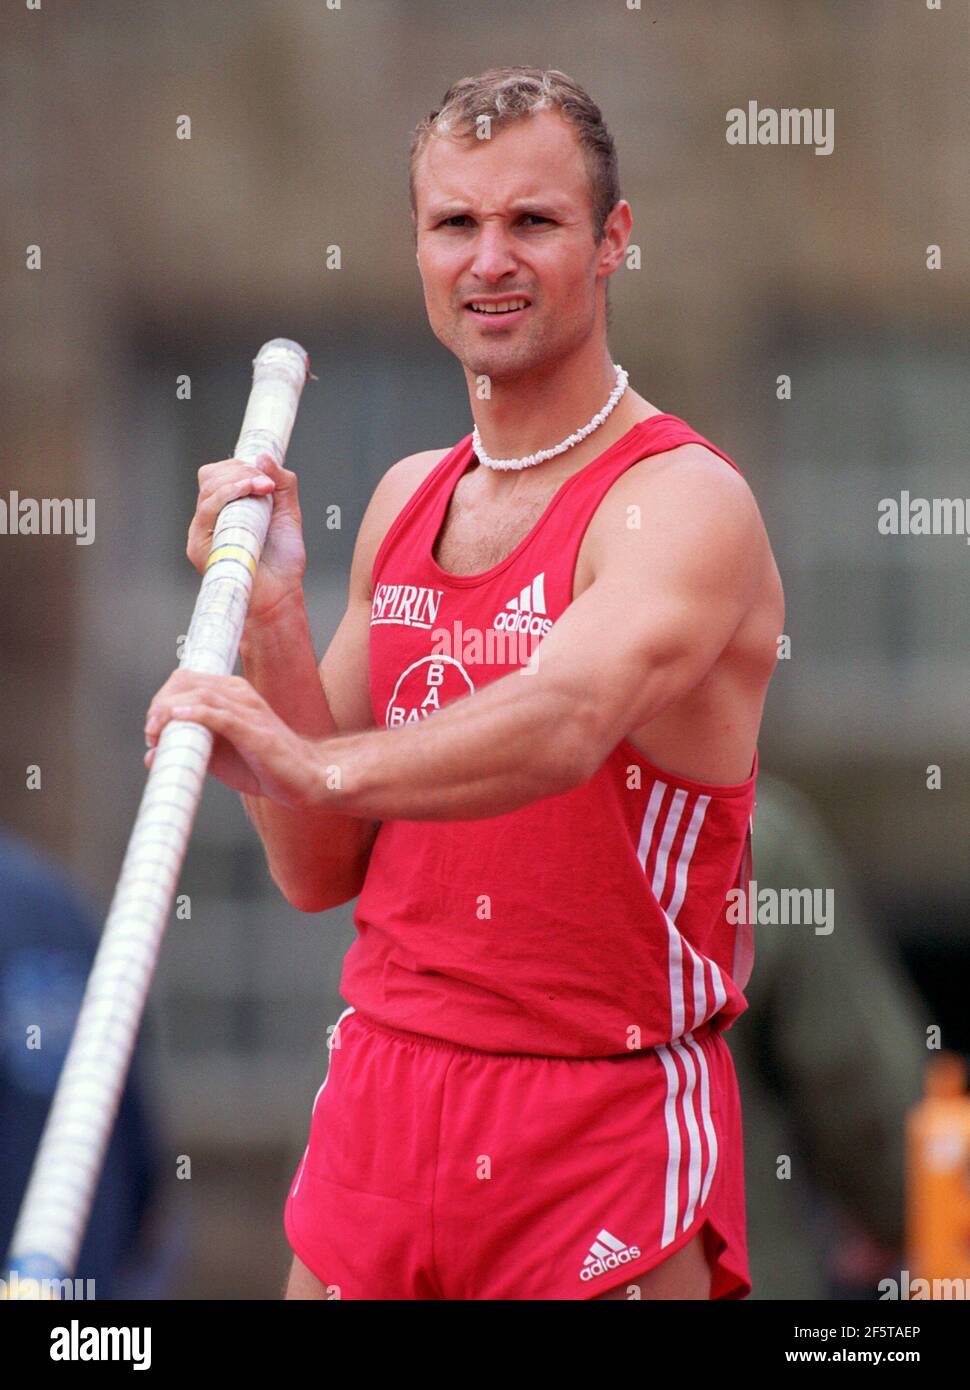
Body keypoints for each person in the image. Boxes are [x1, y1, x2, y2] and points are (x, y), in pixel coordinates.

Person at [144, 67, 784, 1300]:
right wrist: (276, 616)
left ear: (611, 243)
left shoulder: (682, 501)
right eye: (456, 224)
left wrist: (304, 753)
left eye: (532, 222)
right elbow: (316, 866)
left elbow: (563, 721)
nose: (490, 259)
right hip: (385, 1093)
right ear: (419, 246)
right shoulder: (402, 499)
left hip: (592, 1116)